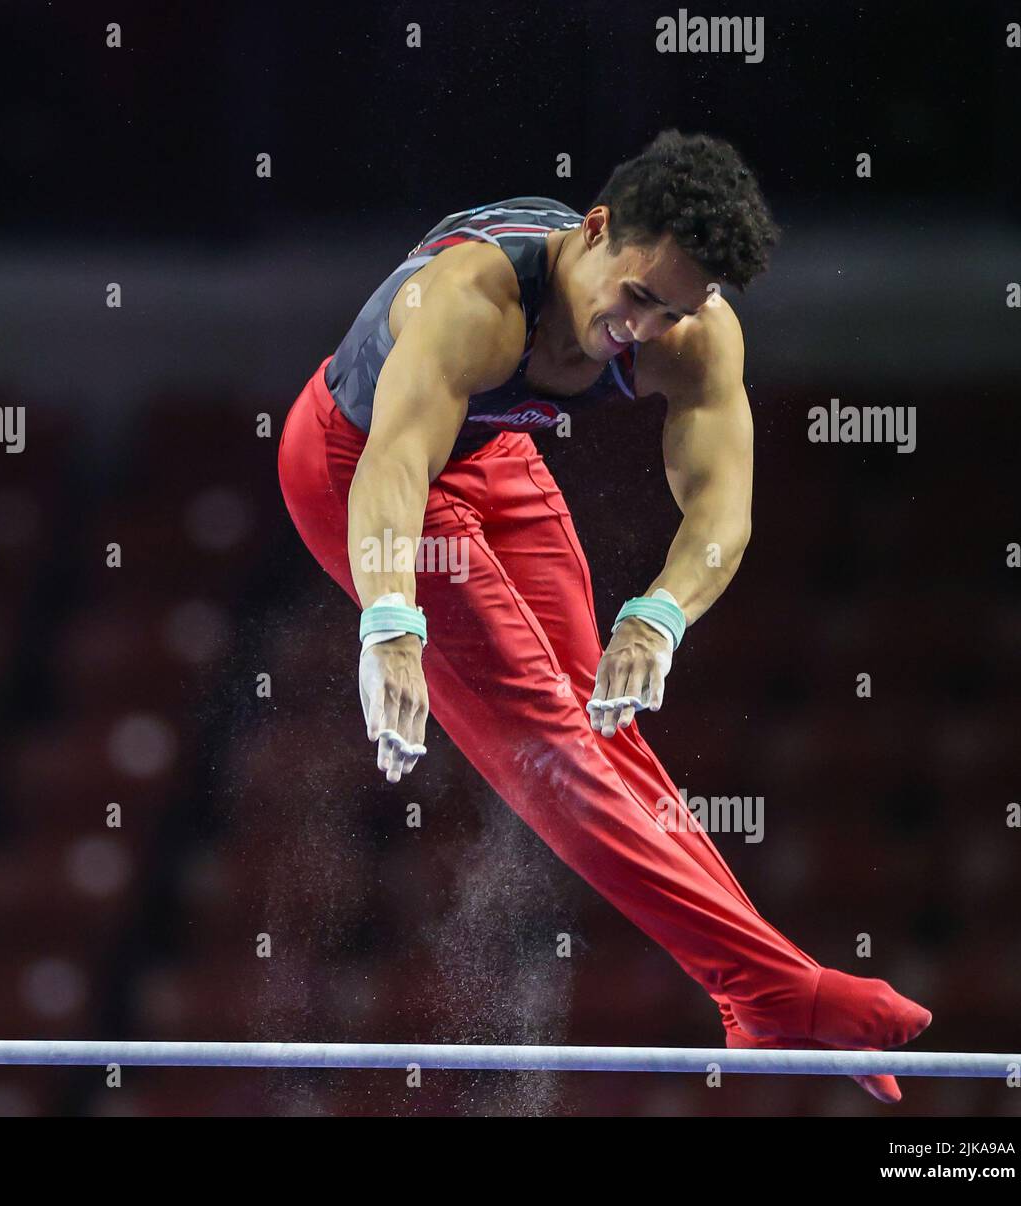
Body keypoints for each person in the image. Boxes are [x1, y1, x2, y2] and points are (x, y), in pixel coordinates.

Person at [277, 130, 930, 1103]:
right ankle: (777, 988)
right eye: (634, 296)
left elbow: (721, 509)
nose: (641, 327)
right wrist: (390, 623)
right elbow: (396, 464)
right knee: (543, 741)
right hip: (353, 467)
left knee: (598, 722)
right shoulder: (474, 304)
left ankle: (756, 999)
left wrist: (661, 613)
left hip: (494, 457)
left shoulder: (690, 336)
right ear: (595, 231)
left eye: (673, 309)